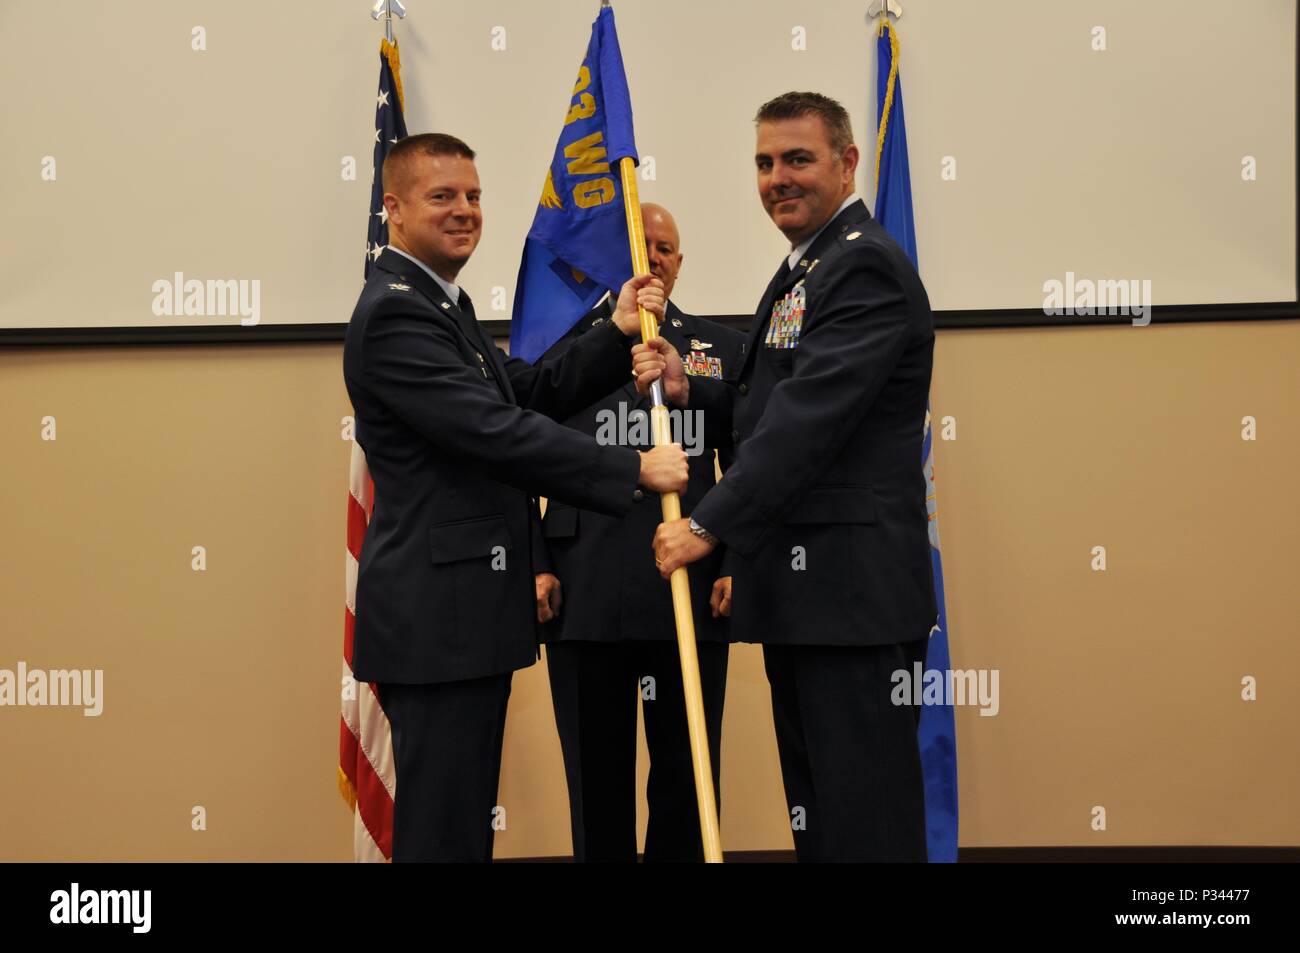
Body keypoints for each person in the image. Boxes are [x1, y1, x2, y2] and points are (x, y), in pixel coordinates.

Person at [343, 132, 688, 862]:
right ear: (394, 209)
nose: (464, 210)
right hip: (438, 623)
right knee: (444, 836)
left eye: (472, 196)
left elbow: (522, 394)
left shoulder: (443, 306)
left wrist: (614, 330)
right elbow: (495, 432)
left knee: (461, 828)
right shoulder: (396, 314)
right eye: (443, 197)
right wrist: (632, 469)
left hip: (462, 620)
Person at [637, 92, 937, 862]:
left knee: (863, 824)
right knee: (823, 818)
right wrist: (688, 386)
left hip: (852, 599)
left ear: (847, 163)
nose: (778, 178)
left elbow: (806, 421)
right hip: (809, 598)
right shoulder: (810, 263)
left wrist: (707, 524)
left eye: (798, 159)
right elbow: (767, 389)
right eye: (766, 163)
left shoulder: (862, 263)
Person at [532, 203, 744, 862]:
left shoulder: (720, 348)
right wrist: (535, 562)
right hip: (582, 587)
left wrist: (738, 560)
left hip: (689, 586)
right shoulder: (563, 347)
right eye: (640, 247)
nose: (654, 259)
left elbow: (747, 462)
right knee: (597, 784)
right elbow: (516, 456)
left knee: (687, 782)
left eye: (667, 249)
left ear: (679, 263)